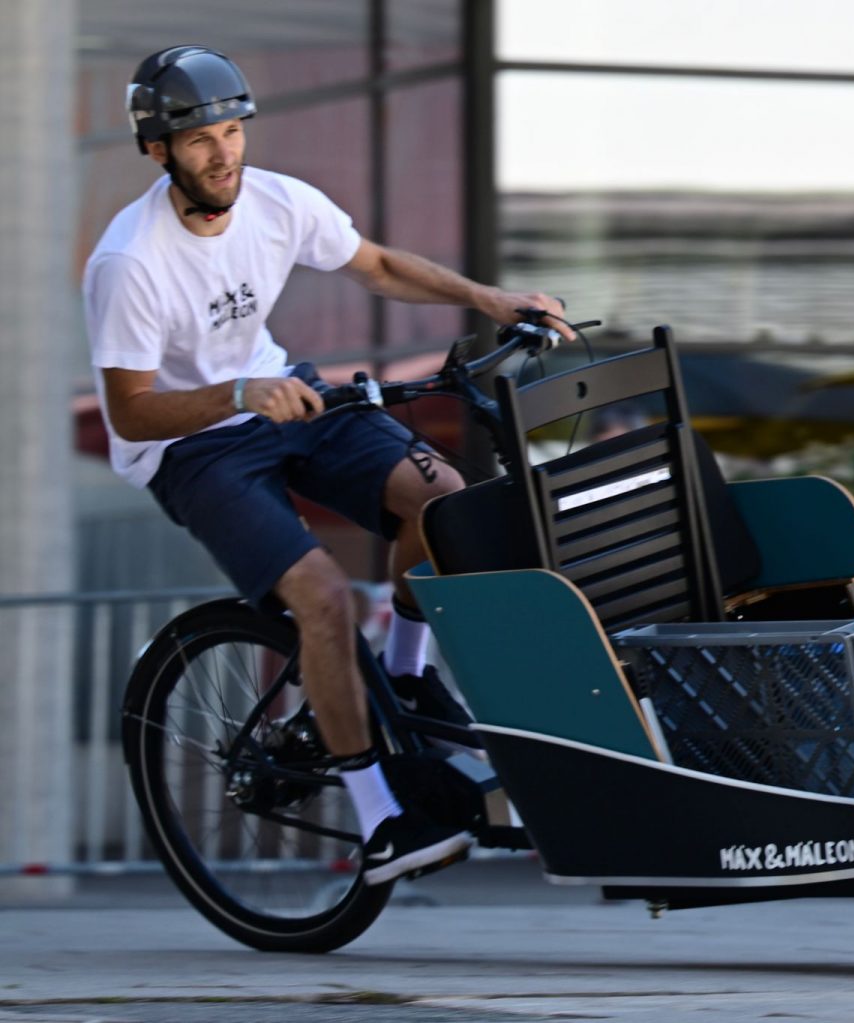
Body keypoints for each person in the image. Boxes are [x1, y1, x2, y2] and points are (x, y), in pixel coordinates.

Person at [84, 45, 571, 886]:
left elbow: (376, 265)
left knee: (443, 500)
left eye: (232, 131)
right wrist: (239, 389)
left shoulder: (277, 202)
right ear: (158, 151)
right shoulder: (129, 261)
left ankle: (407, 681)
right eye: (198, 140)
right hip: (189, 444)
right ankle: (380, 817)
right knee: (323, 598)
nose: (222, 152)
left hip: (284, 397)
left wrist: (492, 301)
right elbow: (129, 410)